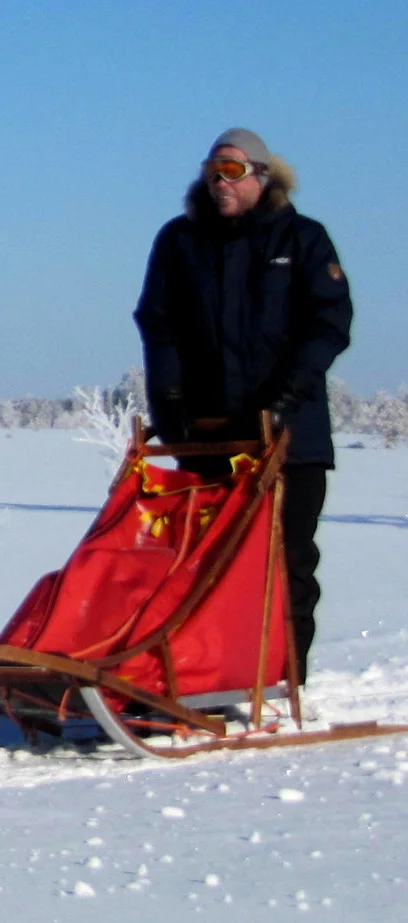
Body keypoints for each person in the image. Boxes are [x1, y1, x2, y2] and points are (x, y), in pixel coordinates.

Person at [134, 129, 352, 686]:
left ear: (261, 175)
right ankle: (204, 676)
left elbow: (327, 326)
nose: (219, 182)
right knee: (201, 562)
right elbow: (159, 326)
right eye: (212, 171)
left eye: (231, 171)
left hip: (291, 439)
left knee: (286, 560)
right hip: (208, 438)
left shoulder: (302, 238)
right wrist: (170, 402)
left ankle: (283, 679)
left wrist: (283, 402)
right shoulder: (180, 241)